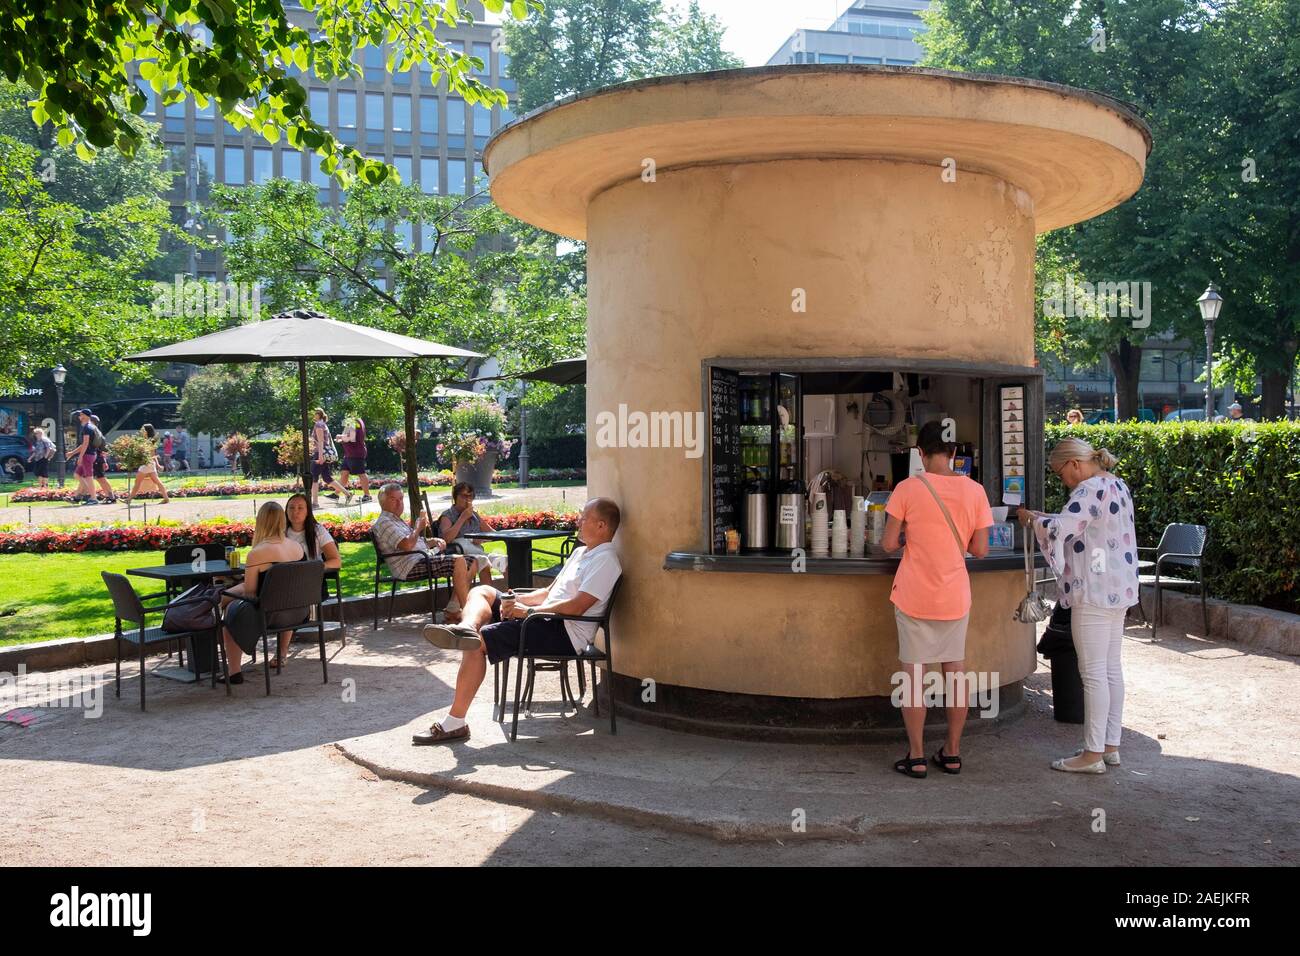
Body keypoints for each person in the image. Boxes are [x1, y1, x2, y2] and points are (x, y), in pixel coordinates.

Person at [414, 497, 622, 744]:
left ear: (601, 526)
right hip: (545, 618)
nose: (579, 521)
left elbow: (577, 607)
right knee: (484, 591)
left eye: (584, 517)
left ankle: (455, 723)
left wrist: (528, 612)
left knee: (478, 643)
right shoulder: (581, 553)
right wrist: (516, 599)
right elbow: (547, 593)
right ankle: (465, 628)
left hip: (564, 632)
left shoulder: (606, 560)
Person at [1018, 437, 1138, 774]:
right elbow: (1080, 525)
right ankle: (1108, 745)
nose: (1063, 481)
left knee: (1094, 674)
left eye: (1061, 474)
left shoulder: (1088, 490)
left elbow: (1061, 529)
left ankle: (1091, 754)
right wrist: (1044, 518)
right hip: (1119, 589)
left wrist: (1031, 520)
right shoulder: (1116, 485)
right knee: (1111, 669)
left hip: (1093, 591)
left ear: (1074, 465)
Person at [881, 420, 993, 779]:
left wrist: (908, 538)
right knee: (955, 673)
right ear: (955, 453)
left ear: (920, 453)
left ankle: (916, 757)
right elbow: (980, 549)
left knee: (913, 678)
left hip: (914, 595)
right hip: (954, 596)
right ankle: (953, 752)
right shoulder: (975, 491)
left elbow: (887, 543)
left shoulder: (907, 488)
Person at [218, 502, 309, 683]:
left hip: (271, 615)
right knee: (228, 598)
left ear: (261, 522)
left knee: (229, 613)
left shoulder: (257, 553)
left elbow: (251, 592)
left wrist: (227, 596)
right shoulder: (297, 548)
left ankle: (234, 672)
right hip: (298, 612)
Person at [370, 482, 470, 617]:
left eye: (401, 499)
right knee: (458, 561)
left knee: (472, 561)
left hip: (421, 558)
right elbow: (407, 545)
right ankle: (468, 614)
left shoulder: (396, 520)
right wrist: (418, 527)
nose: (399, 503)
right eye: (393, 499)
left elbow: (415, 542)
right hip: (408, 566)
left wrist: (433, 541)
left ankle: (453, 610)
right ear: (383, 502)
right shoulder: (384, 522)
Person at [439, 482, 499, 589]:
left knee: (505, 561)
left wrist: (481, 539)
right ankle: (490, 599)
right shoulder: (448, 515)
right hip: (461, 555)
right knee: (483, 561)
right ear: (455, 497)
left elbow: (492, 534)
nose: (467, 499)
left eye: (470, 496)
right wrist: (462, 518)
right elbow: (446, 538)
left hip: (478, 551)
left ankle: (516, 596)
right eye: (463, 496)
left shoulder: (474, 515)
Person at [310, 408, 352, 507]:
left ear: (318, 415)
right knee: (326, 477)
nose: (313, 415)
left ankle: (315, 503)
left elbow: (320, 441)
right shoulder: (323, 424)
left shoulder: (319, 425)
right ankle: (348, 494)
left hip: (320, 453)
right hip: (324, 454)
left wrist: (320, 457)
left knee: (314, 477)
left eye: (314, 413)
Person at [125, 424, 171, 503]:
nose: (141, 431)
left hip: (147, 463)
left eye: (143, 430)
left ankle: (129, 499)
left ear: (146, 431)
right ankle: (166, 498)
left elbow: (152, 454)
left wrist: (157, 464)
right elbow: (153, 455)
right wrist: (157, 465)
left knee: (137, 482)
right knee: (157, 482)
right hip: (149, 463)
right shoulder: (150, 441)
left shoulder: (148, 442)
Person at [65, 409, 99, 504]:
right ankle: (77, 498)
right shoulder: (89, 427)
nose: (80, 417)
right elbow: (83, 444)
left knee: (88, 477)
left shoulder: (87, 428)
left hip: (87, 455)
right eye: (80, 415)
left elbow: (85, 444)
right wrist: (72, 453)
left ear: (86, 416)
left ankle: (93, 498)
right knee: (77, 475)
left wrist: (80, 456)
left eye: (81, 415)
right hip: (89, 454)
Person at [336, 415, 371, 503]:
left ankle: (367, 496)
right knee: (344, 473)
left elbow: (351, 437)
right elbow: (350, 436)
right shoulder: (355, 421)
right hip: (349, 454)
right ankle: (336, 494)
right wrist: (342, 439)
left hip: (355, 453)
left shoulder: (354, 421)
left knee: (361, 473)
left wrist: (340, 436)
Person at [88, 414, 117, 503]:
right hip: (97, 458)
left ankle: (111, 497)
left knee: (101, 478)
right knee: (100, 478)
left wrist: (104, 461)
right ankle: (109, 496)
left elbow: (102, 449)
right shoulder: (97, 432)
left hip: (97, 459)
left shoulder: (96, 433)